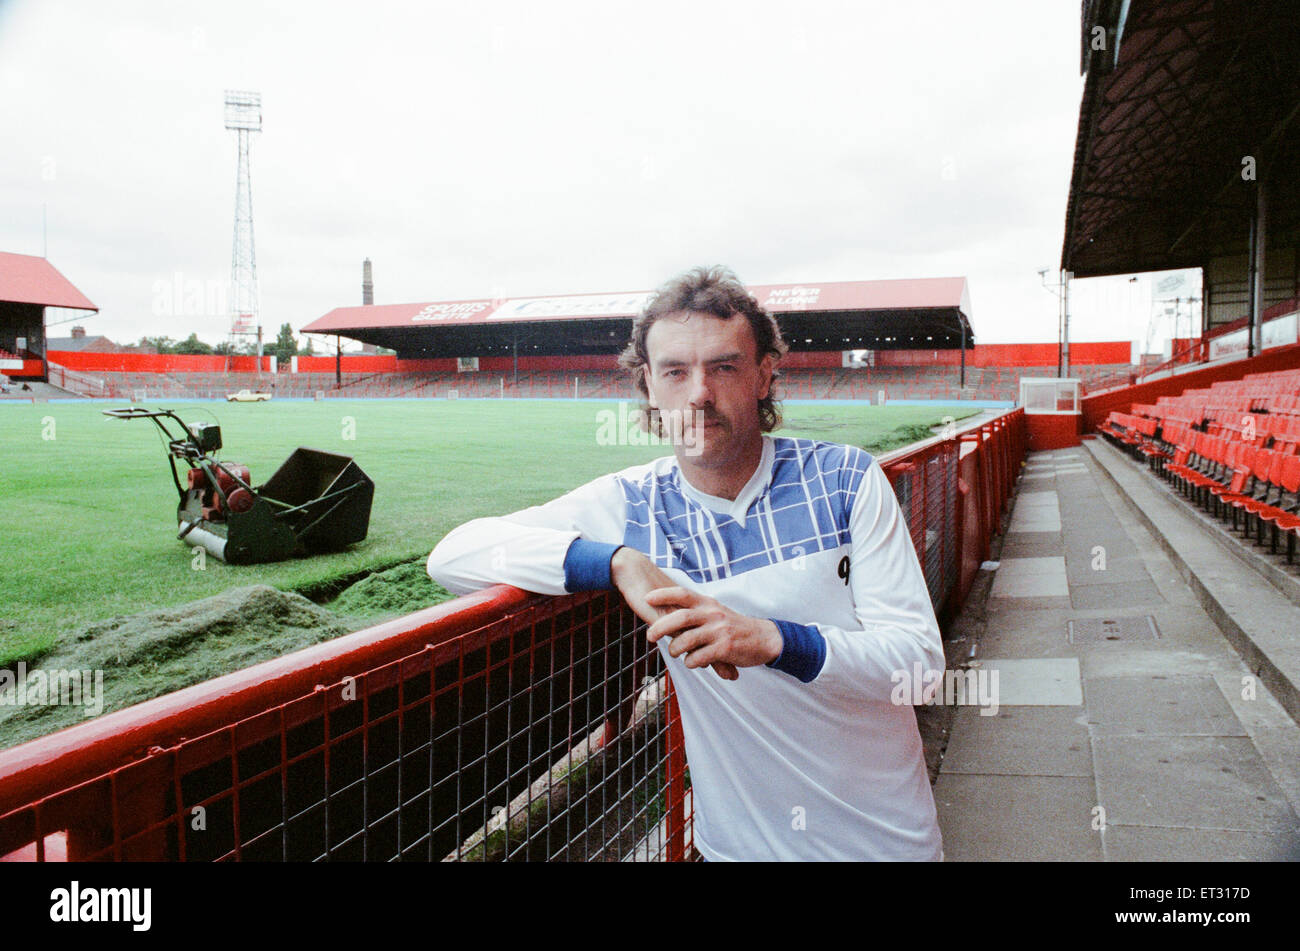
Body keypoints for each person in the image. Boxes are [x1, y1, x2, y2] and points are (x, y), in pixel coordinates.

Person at [427, 266, 944, 861]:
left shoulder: (846, 479)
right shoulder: (629, 503)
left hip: (885, 842)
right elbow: (454, 555)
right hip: (735, 849)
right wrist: (618, 561)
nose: (698, 393)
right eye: (675, 371)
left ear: (763, 375)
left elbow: (922, 667)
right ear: (648, 385)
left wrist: (770, 640)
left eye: (724, 366)